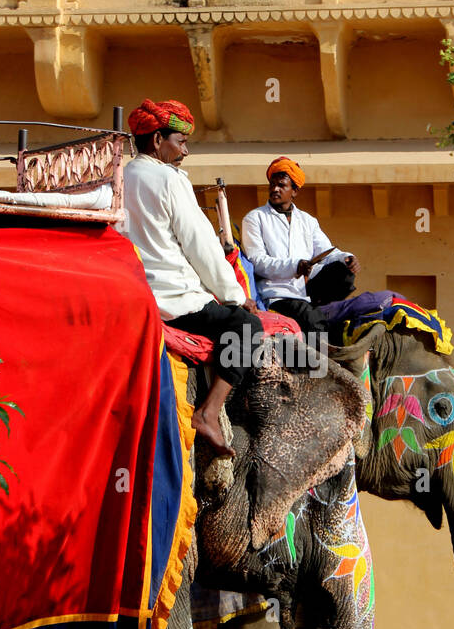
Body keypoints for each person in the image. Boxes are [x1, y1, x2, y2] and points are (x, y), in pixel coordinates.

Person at [119, 98, 262, 458]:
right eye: (180, 142)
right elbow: (201, 245)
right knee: (247, 327)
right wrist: (233, 295)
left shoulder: (118, 176)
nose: (185, 151)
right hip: (174, 300)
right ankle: (209, 412)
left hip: (133, 295)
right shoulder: (169, 179)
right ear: (156, 141)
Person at [241, 156, 359, 336]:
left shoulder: (307, 220)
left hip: (307, 288)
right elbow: (257, 261)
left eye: (281, 185)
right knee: (311, 319)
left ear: (294, 191)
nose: (275, 189)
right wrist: (295, 266)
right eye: (272, 185)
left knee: (344, 271)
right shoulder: (255, 218)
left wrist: (346, 258)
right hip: (276, 293)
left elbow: (326, 252)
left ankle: (318, 305)